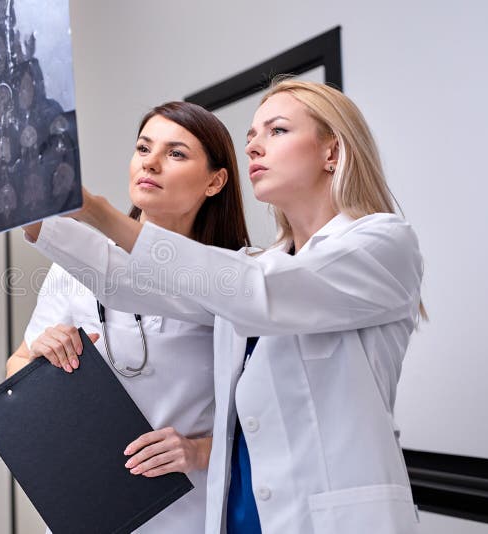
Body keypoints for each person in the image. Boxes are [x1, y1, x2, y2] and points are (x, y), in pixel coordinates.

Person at [22, 80, 424, 534]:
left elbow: (260, 292)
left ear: (332, 152)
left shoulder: (382, 244)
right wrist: (15, 195)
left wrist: (96, 210)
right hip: (240, 516)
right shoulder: (257, 263)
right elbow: (127, 281)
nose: (254, 146)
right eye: (251, 136)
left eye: (276, 131)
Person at [0, 100, 252, 532]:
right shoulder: (77, 262)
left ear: (216, 181)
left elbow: (266, 420)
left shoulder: (237, 280)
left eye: (176, 153)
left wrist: (200, 451)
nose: (151, 163)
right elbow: (18, 365)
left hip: (187, 513)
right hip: (88, 510)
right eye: (143, 148)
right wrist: (44, 360)